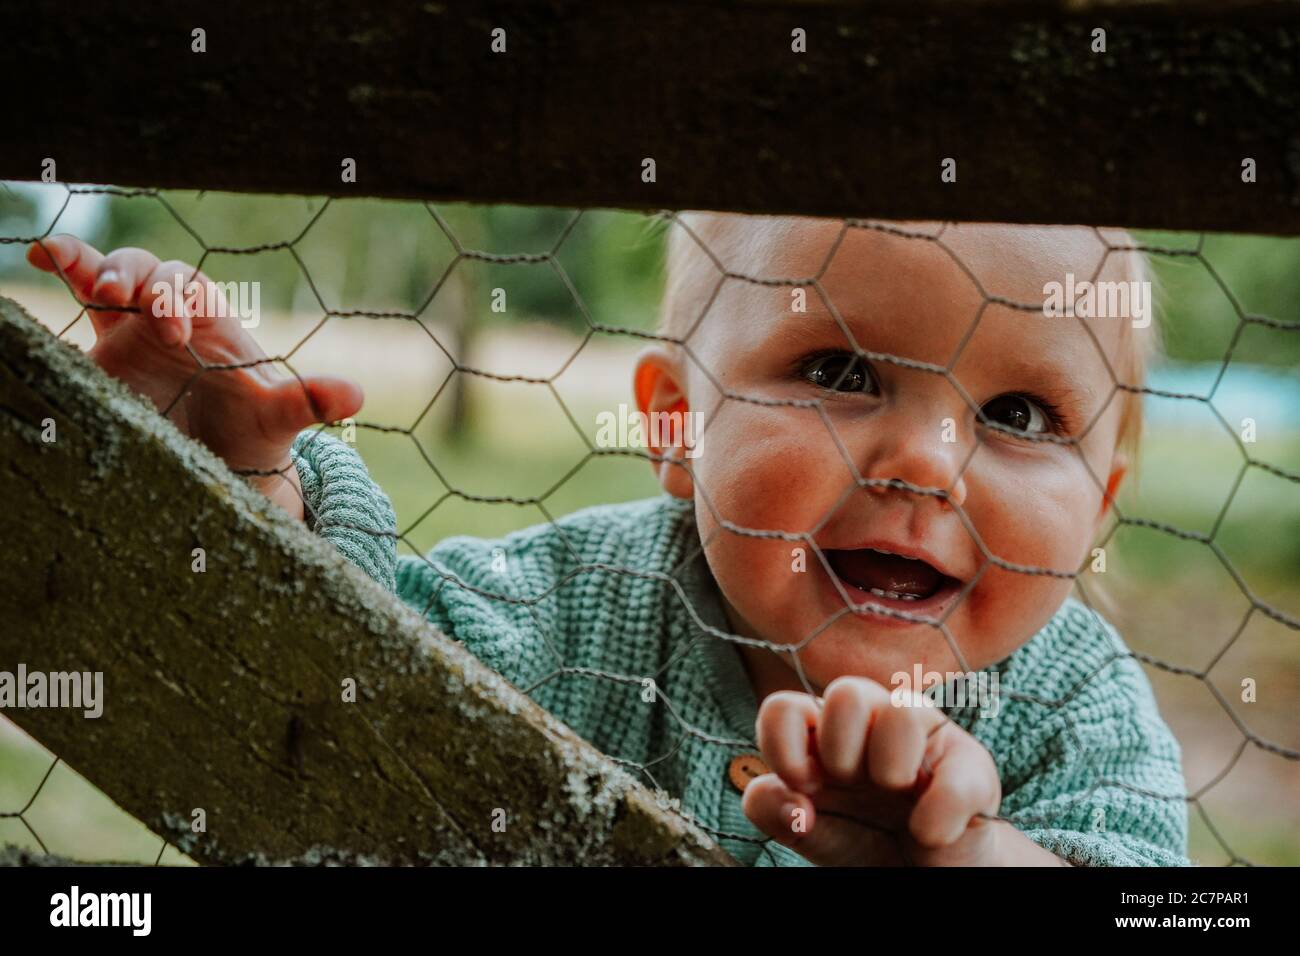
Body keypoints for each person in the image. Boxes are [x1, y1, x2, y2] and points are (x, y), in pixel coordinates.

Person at [26, 213, 1188, 866]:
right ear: (675, 425)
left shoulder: (1073, 702)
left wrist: (963, 858)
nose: (926, 462)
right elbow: (366, 644)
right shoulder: (587, 603)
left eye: (1020, 415)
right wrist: (238, 477)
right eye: (837, 371)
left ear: (1102, 496)